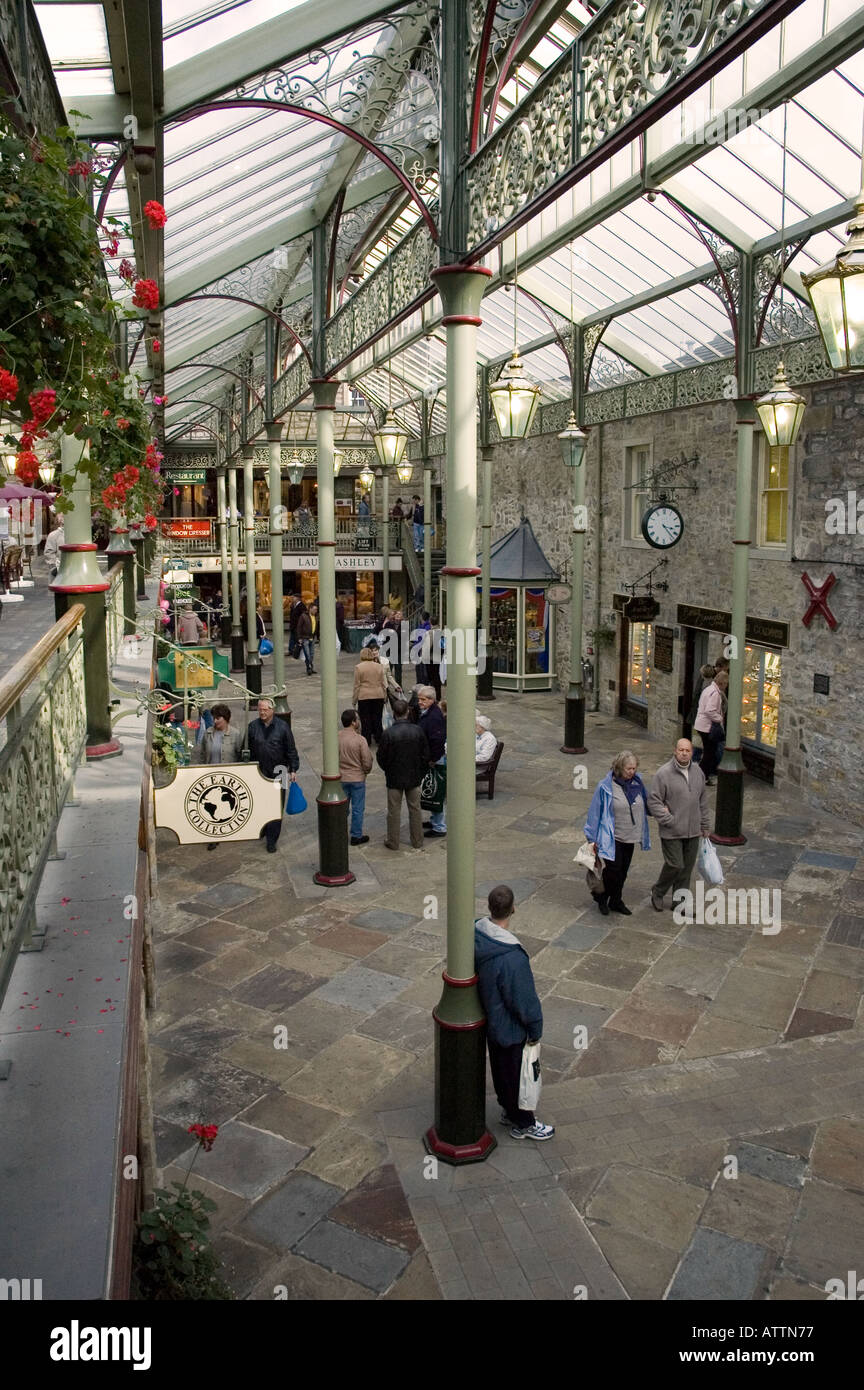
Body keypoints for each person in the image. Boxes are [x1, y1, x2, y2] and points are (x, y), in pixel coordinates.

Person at [474, 885, 554, 1141]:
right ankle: (524, 1122)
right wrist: (535, 1028)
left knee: (501, 1070)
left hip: (491, 1021)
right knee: (519, 1075)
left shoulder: (476, 935)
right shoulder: (512, 958)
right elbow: (523, 999)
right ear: (513, 909)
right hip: (509, 1027)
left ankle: (509, 1111)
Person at [583, 751, 651, 916]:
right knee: (613, 870)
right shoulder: (605, 786)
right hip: (612, 837)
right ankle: (601, 896)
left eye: (634, 768)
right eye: (628, 768)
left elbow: (647, 803)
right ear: (620, 768)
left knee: (623, 871)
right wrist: (591, 837)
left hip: (631, 835)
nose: (631, 772)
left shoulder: (638, 782)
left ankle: (615, 900)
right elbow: (595, 813)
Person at [647, 738, 710, 911]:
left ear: (691, 753)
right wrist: (669, 820)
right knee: (675, 864)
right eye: (680, 750)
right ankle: (658, 891)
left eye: (687, 750)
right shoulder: (663, 773)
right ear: (675, 751)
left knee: (686, 870)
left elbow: (703, 801)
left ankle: (679, 903)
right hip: (672, 831)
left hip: (693, 831)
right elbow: (654, 801)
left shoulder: (698, 772)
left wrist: (704, 825)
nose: (684, 753)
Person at [375, 698, 429, 851]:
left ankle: (393, 841)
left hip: (394, 776)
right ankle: (417, 840)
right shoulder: (417, 730)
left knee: (393, 811)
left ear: (394, 714)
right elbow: (426, 755)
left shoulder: (388, 734)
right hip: (413, 775)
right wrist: (420, 772)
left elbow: (381, 757)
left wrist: (388, 769)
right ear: (407, 712)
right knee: (415, 809)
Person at [247, 697, 299, 852]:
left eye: (265, 709)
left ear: (272, 710)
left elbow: (291, 749)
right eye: (260, 709)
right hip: (260, 770)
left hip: (280, 771)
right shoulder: (252, 727)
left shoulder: (283, 727)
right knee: (261, 802)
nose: (262, 712)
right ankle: (262, 828)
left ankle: (272, 839)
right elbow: (247, 749)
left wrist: (293, 769)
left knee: (277, 806)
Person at [339, 708, 373, 846]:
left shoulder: (336, 737)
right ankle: (356, 835)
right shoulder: (360, 740)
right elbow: (366, 761)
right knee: (358, 808)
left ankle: (340, 832)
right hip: (357, 778)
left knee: (342, 809)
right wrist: (366, 770)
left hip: (341, 778)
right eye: (357, 719)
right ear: (353, 722)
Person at [417, 684, 446, 838]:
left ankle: (440, 826)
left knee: (436, 791)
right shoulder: (429, 712)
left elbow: (437, 740)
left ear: (431, 700)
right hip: (432, 757)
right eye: (419, 699)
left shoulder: (433, 716)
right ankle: (435, 821)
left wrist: (433, 759)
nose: (420, 702)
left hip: (435, 759)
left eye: (423, 699)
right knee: (432, 790)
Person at [693, 669, 728, 785]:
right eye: (726, 684)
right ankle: (702, 777)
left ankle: (704, 776)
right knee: (709, 753)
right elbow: (710, 710)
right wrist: (720, 718)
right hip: (706, 727)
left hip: (701, 725)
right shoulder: (715, 693)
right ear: (722, 683)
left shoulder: (708, 689)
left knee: (709, 752)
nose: (726, 686)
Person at [353, 645, 387, 745]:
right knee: (377, 718)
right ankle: (379, 738)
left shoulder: (358, 667)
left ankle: (366, 739)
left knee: (365, 719)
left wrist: (354, 700)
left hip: (364, 696)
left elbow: (356, 685)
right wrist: (384, 696)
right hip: (378, 694)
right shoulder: (379, 666)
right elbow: (382, 683)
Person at [294, 599, 315, 674]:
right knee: (307, 654)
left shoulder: (315, 616)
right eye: (314, 609)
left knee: (312, 654)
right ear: (310, 609)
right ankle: (308, 668)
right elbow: (299, 627)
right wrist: (299, 638)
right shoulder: (303, 616)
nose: (316, 611)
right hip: (305, 637)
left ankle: (310, 667)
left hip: (312, 637)